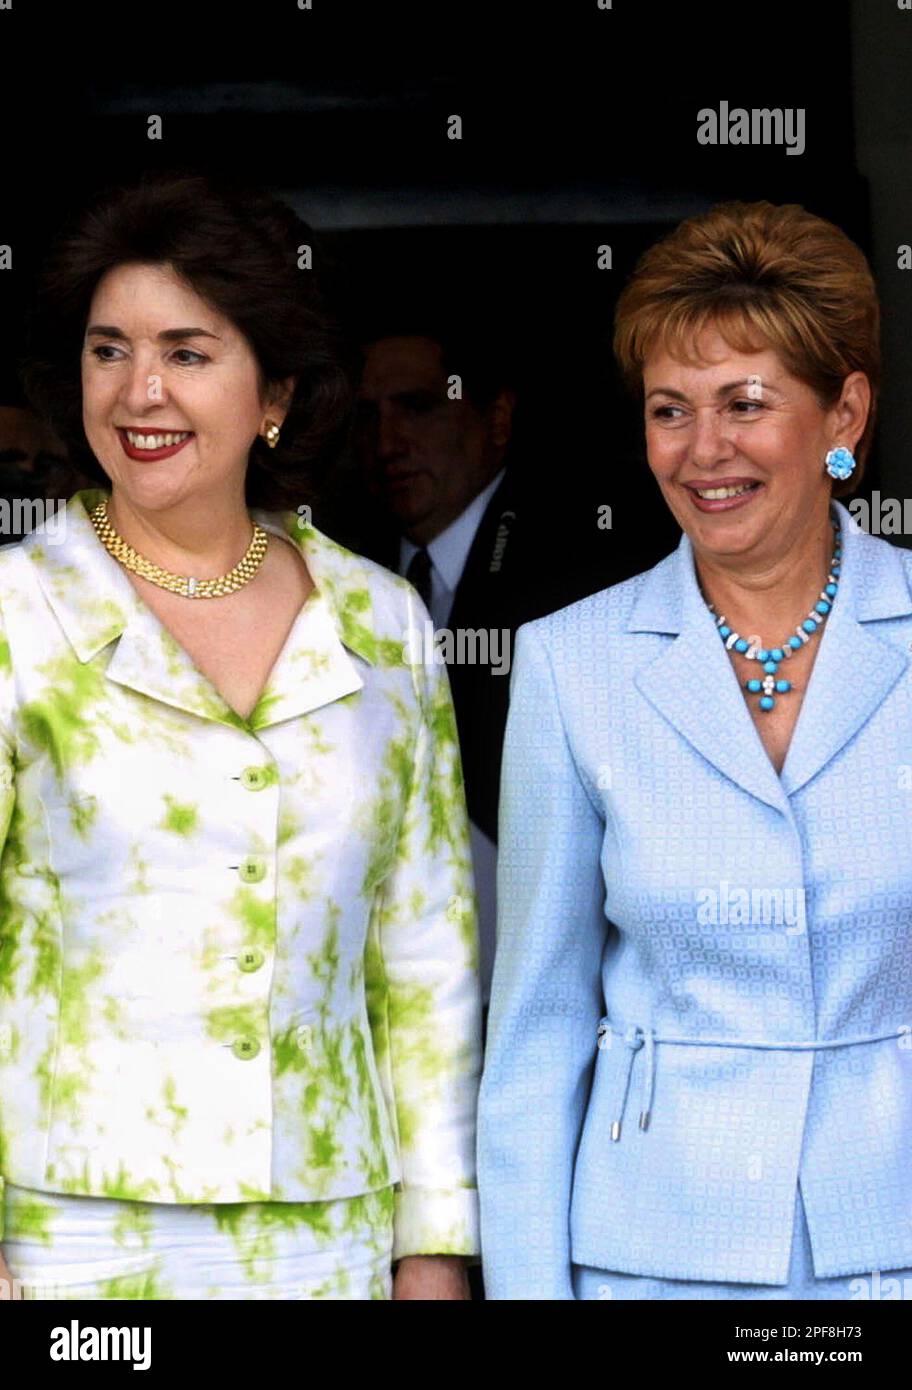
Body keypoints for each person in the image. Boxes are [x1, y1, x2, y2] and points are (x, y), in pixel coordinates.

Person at [0, 170, 481, 1301]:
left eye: (187, 351)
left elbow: (425, 962)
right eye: (107, 349)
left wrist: (436, 1244)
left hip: (333, 1233)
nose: (140, 391)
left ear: (275, 391)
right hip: (70, 1237)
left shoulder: (379, 621)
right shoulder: (18, 613)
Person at [478, 199, 912, 1299]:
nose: (704, 449)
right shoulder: (575, 667)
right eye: (671, 410)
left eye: (747, 403)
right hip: (649, 1260)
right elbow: (537, 1032)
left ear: (844, 413)